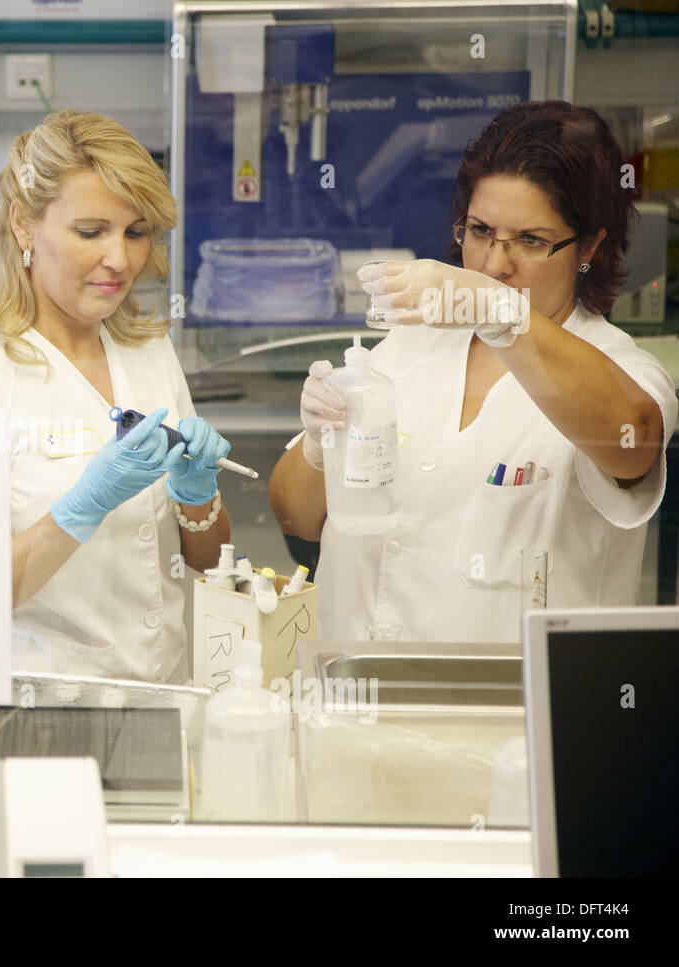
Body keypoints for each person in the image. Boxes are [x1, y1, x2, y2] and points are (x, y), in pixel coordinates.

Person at [269, 101, 677, 643]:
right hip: (352, 694)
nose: (493, 265)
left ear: (590, 246)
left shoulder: (622, 367)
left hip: (508, 718)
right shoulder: (405, 349)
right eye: (480, 231)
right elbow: (296, 518)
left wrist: (501, 313)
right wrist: (320, 445)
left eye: (531, 240)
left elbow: (634, 442)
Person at [0, 111, 233, 682]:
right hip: (40, 713)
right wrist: (79, 510)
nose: (122, 260)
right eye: (91, 232)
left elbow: (208, 564)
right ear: (24, 225)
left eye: (136, 233)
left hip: (166, 698)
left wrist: (198, 499)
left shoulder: (150, 354)